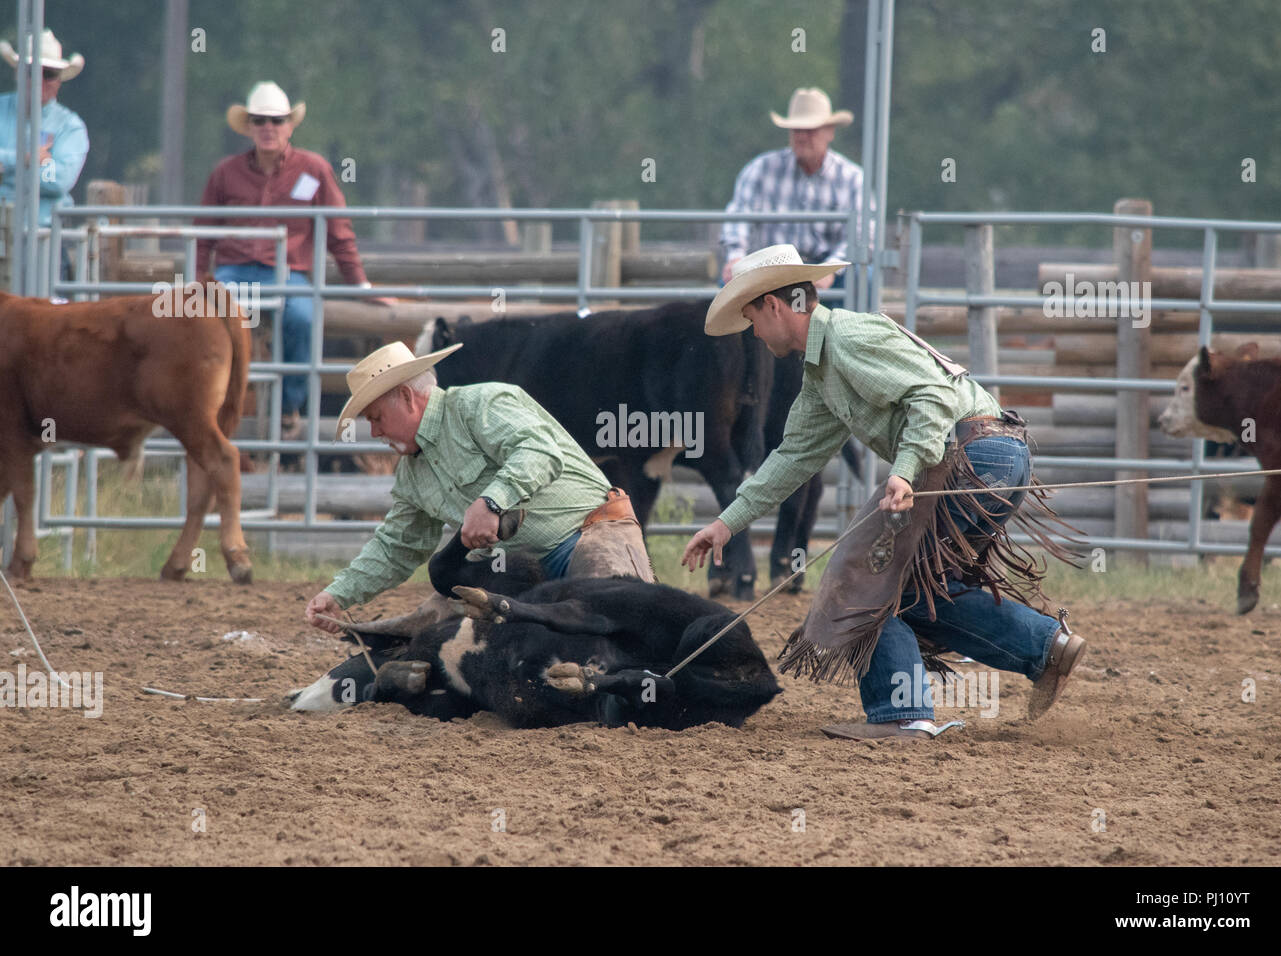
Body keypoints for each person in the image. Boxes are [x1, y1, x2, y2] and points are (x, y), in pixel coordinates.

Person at [680, 244, 1087, 740]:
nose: (753, 331)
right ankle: (1046, 649)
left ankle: (904, 716)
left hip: (969, 458)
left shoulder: (849, 337)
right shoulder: (821, 375)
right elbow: (791, 460)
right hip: (992, 455)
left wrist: (905, 468)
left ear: (774, 305)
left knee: (868, 580)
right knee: (917, 593)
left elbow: (931, 396)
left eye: (751, 317)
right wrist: (726, 524)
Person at [305, 341, 655, 632]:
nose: (375, 432)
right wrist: (340, 594)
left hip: (588, 535)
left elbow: (539, 450)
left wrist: (492, 502)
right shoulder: (412, 474)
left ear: (407, 397)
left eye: (376, 417)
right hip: (510, 575)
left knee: (620, 620)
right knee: (433, 635)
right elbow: (398, 544)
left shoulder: (480, 404)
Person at [196, 81, 395, 442]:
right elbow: (204, 230)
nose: (268, 128)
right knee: (204, 320)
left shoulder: (314, 169)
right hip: (234, 271)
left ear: (290, 125)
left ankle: (289, 405)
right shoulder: (225, 173)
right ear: (249, 126)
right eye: (260, 120)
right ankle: (210, 403)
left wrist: (359, 284)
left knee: (302, 319)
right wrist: (198, 279)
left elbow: (338, 230)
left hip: (286, 273)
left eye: (277, 120)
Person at [719, 87, 871, 290]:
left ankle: (861, 322)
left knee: (864, 278)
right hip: (772, 270)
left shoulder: (853, 178)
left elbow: (860, 237)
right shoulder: (760, 170)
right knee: (729, 283)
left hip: (829, 271)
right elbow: (738, 216)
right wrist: (736, 256)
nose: (801, 136)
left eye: (810, 130)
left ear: (830, 132)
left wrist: (829, 270)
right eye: (796, 129)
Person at [0, 28, 90, 275]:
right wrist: (26, 159)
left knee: (49, 308)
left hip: (45, 237)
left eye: (48, 74)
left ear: (59, 80)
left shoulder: (70, 126)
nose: (39, 81)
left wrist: (4, 168)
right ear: (19, 74)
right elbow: (50, 174)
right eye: (32, 72)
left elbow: (58, 181)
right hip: (2, 232)